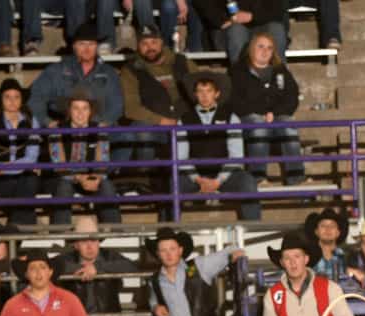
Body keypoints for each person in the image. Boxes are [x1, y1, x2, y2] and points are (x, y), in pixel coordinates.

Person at [174, 71, 261, 221]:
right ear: (195, 94)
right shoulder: (184, 120)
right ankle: (168, 232)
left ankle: (253, 228)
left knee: (247, 182)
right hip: (195, 174)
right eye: (200, 91)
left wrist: (217, 181)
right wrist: (197, 179)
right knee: (174, 185)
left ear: (217, 93)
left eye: (209, 91)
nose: (204, 95)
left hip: (225, 173)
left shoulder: (231, 118)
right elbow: (181, 157)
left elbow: (236, 157)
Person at [228, 30, 304, 186]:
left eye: (269, 48)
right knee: (258, 126)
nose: (265, 51)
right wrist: (261, 113)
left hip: (276, 116)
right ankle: (258, 177)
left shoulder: (280, 70)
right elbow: (233, 100)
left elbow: (292, 96)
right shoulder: (237, 72)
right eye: (260, 46)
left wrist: (274, 113)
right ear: (251, 48)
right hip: (247, 117)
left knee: (288, 125)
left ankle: (296, 176)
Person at [118, 25, 199, 166]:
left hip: (185, 121)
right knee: (143, 131)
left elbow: (202, 89)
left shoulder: (182, 61)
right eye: (144, 43)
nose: (150, 48)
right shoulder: (130, 70)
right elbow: (131, 108)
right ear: (138, 46)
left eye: (154, 42)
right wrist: (161, 121)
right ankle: (146, 175)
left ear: (162, 42)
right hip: (155, 125)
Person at [46, 86, 122, 226]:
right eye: (76, 108)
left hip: (93, 177)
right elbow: (58, 164)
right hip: (67, 178)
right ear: (69, 110)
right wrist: (79, 178)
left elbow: (103, 160)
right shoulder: (56, 130)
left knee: (107, 187)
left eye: (85, 108)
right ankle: (60, 235)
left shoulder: (100, 129)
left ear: (90, 111)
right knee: (63, 189)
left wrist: (96, 178)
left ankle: (115, 233)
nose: (80, 113)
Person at [28, 24, 124, 130]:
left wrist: (106, 123)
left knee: (125, 137)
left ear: (97, 46)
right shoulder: (56, 70)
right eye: (82, 44)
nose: (87, 49)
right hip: (64, 130)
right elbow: (36, 98)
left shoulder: (109, 73)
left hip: (100, 128)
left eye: (91, 44)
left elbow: (117, 104)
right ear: (74, 46)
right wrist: (47, 122)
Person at [0, 78, 41, 226]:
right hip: (1, 180)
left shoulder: (32, 121)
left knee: (29, 182)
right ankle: (20, 232)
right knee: (25, 195)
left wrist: (7, 166)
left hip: (21, 176)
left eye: (16, 97)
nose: (12, 101)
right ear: (1, 100)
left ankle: (13, 229)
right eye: (7, 97)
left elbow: (32, 156)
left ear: (21, 100)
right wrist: (2, 167)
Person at [195, 0, 286, 64]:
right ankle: (242, 81)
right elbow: (205, 5)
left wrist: (252, 16)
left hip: (259, 25)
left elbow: (278, 10)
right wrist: (224, 20)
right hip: (228, 29)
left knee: (276, 29)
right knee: (237, 30)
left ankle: (280, 78)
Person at [304, 207, 351, 282]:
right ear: (316, 231)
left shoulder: (348, 258)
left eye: (332, 226)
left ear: (338, 233)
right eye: (323, 226)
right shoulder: (306, 258)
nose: (328, 229)